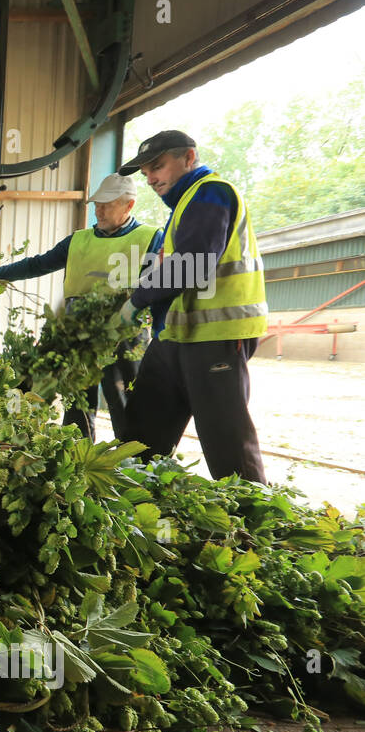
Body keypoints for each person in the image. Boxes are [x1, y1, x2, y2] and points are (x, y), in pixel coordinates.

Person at [117, 130, 267, 483]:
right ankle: (130, 505)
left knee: (226, 441)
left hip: (215, 338)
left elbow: (192, 264)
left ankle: (253, 523)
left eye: (158, 167)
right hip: (175, 338)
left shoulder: (210, 194)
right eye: (146, 173)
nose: (152, 178)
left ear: (188, 158)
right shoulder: (183, 208)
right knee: (140, 436)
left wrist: (136, 300)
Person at [0, 173, 159, 439]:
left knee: (127, 404)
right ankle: (81, 461)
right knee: (78, 403)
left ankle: (134, 465)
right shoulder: (78, 240)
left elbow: (162, 285)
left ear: (129, 205)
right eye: (96, 204)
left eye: (107, 204)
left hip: (124, 337)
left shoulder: (151, 238)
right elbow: (36, 264)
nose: (98, 210)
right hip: (76, 334)